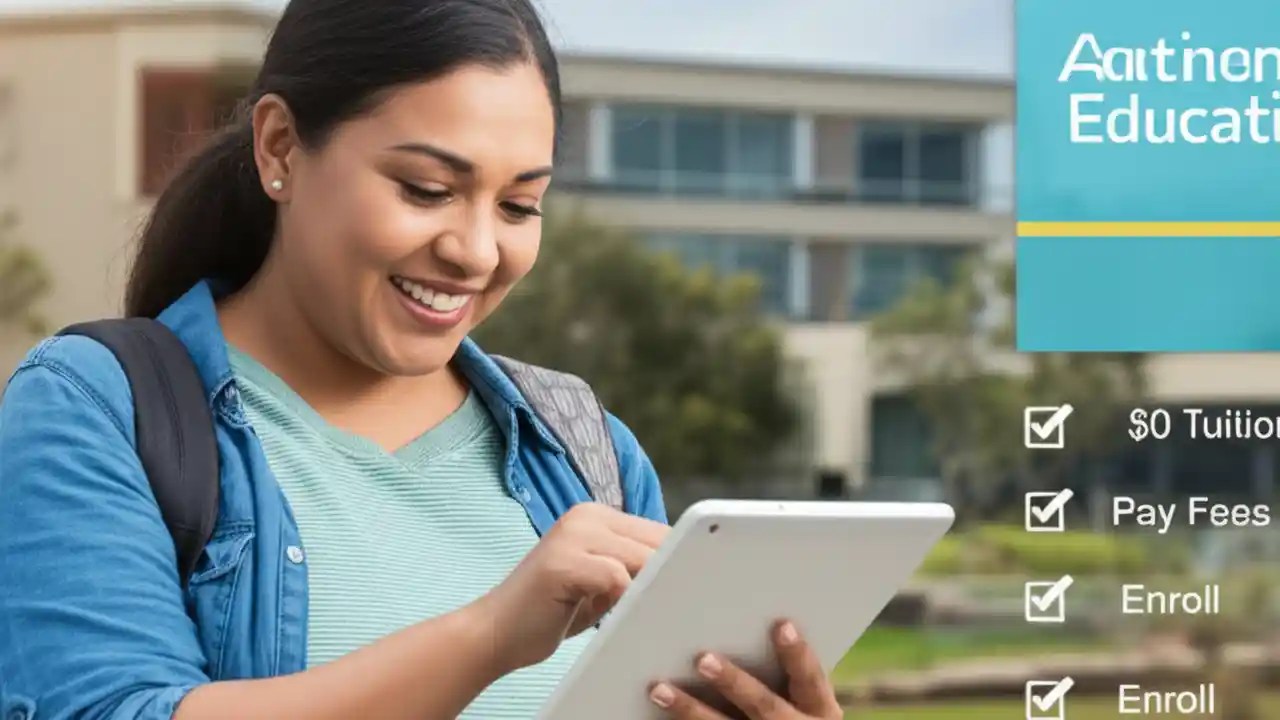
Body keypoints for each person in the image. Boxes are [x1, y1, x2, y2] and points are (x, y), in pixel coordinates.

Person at [0, 1, 845, 718]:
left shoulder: (587, 452)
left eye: (519, 204)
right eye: (427, 190)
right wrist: (486, 636)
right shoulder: (95, 408)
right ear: (281, 148)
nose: (477, 251)